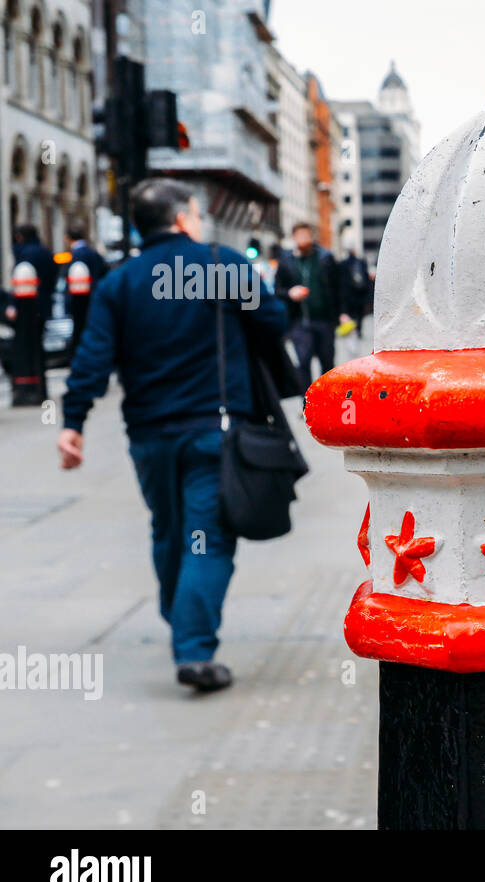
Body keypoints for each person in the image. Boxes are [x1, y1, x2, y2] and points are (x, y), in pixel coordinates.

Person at [57, 178, 288, 691]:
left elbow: (92, 357)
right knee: (206, 538)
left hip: (149, 436)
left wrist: (72, 423)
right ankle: (194, 649)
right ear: (183, 217)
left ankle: (182, 618)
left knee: (169, 530)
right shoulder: (222, 264)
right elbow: (274, 322)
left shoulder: (119, 283)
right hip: (215, 431)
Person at [276, 222, 347, 389]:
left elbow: (338, 288)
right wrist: (290, 293)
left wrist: (342, 313)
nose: (304, 239)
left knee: (327, 362)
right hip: (299, 321)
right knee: (303, 362)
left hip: (324, 319)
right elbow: (277, 290)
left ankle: (327, 399)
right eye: (300, 236)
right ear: (293, 238)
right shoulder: (286, 262)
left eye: (306, 235)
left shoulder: (325, 258)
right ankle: (307, 402)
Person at [8, 225, 58, 405]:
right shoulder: (45, 252)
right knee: (38, 348)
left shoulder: (24, 254)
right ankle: (40, 388)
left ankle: (28, 388)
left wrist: (14, 305)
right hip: (43, 306)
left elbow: (20, 283)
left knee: (26, 346)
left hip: (27, 308)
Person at [65, 223, 109, 356]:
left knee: (80, 331)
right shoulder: (94, 254)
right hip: (95, 299)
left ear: (68, 238)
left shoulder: (76, 256)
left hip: (81, 302)